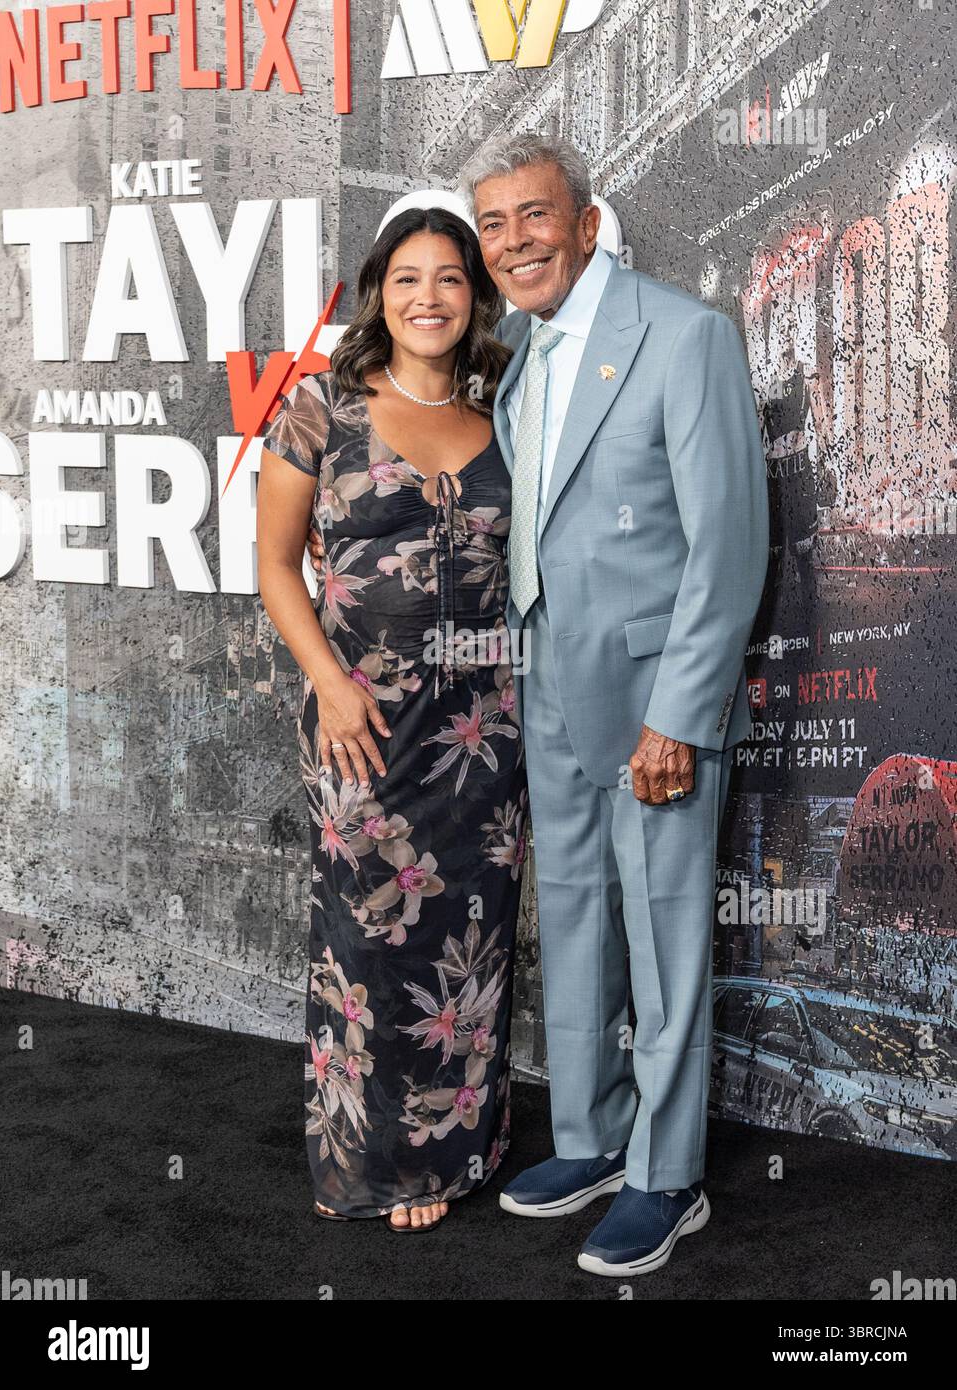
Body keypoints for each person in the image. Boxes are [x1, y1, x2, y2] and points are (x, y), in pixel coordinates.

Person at [309, 132, 769, 1277]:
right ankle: (590, 1137)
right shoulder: (513, 360)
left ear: (585, 219)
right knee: (566, 920)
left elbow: (728, 546)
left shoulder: (682, 334)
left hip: (654, 705)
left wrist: (681, 711)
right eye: (495, 224)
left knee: (661, 941)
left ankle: (666, 1177)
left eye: (534, 218)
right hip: (539, 696)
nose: (514, 242)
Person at [257, 206, 527, 1232]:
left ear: (474, 294)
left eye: (449, 278)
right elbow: (276, 563)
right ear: (381, 291)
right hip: (363, 721)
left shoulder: (508, 409)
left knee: (469, 938)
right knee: (366, 944)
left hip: (484, 733)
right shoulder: (323, 408)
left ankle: (456, 1150)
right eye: (407, 277)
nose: (428, 297)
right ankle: (369, 1161)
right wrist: (328, 681)